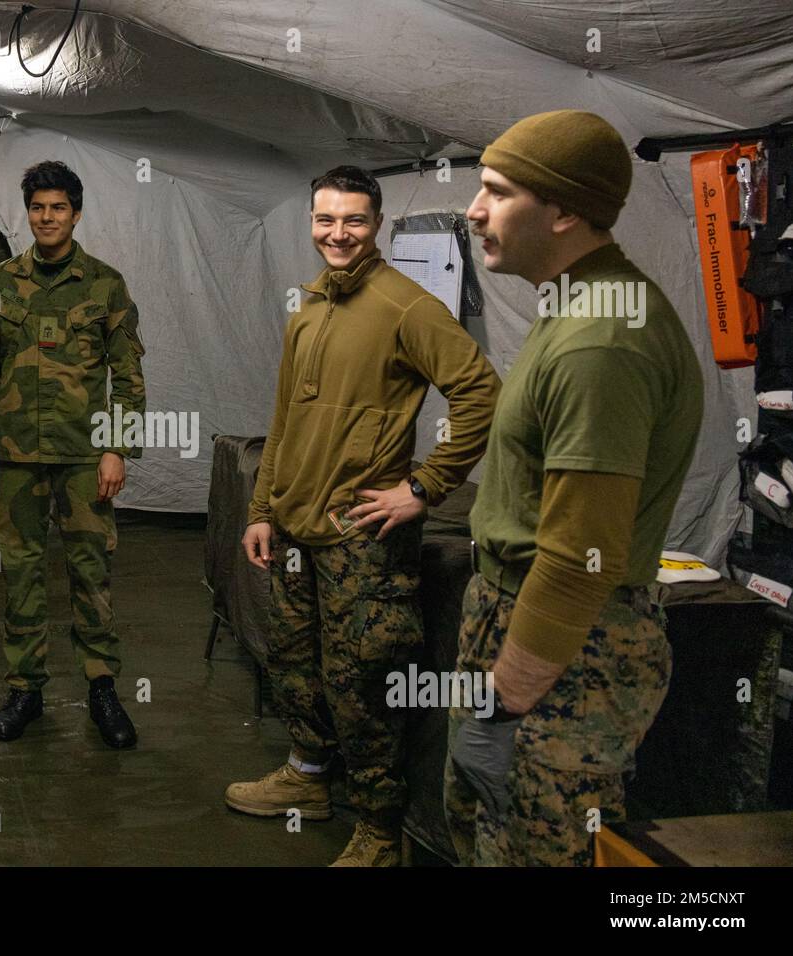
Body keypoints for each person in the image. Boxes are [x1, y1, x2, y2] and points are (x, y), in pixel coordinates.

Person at [444, 110, 704, 866]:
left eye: (497, 191)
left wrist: (505, 705)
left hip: (563, 653)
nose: (474, 209)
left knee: (531, 850)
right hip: (528, 631)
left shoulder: (601, 340)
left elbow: (578, 554)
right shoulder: (579, 308)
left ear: (563, 211)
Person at [229, 166, 501, 865]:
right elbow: (285, 416)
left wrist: (425, 486)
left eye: (352, 220)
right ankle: (309, 779)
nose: (337, 233)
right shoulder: (310, 305)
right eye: (325, 220)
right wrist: (262, 509)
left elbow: (479, 391)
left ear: (375, 224)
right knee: (294, 665)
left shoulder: (405, 305)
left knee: (363, 686)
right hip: (293, 528)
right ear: (311, 222)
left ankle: (381, 829)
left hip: (361, 538)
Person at [0, 160, 146, 748]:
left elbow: (128, 373)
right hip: (16, 456)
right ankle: (26, 689)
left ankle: (101, 688)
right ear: (28, 213)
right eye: (38, 208)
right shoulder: (0, 283)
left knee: (90, 572)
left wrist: (118, 447)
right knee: (21, 574)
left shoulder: (104, 284)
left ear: (76, 212)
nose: (47, 218)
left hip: (83, 458)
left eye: (59, 208)